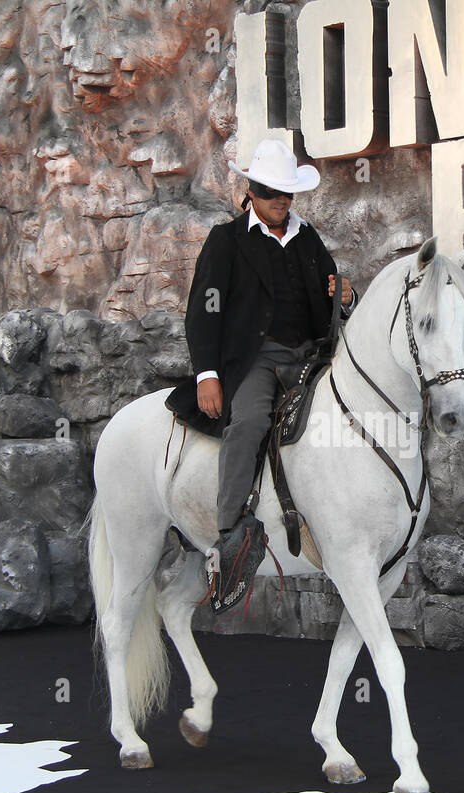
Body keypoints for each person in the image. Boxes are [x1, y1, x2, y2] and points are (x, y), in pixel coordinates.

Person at [165, 138, 356, 609]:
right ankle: (230, 536)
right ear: (251, 191)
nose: (281, 201)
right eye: (272, 192)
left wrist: (346, 296)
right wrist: (208, 373)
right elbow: (203, 311)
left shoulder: (308, 239)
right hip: (257, 359)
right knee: (249, 422)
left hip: (311, 355)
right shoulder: (226, 241)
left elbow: (331, 299)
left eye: (287, 194)